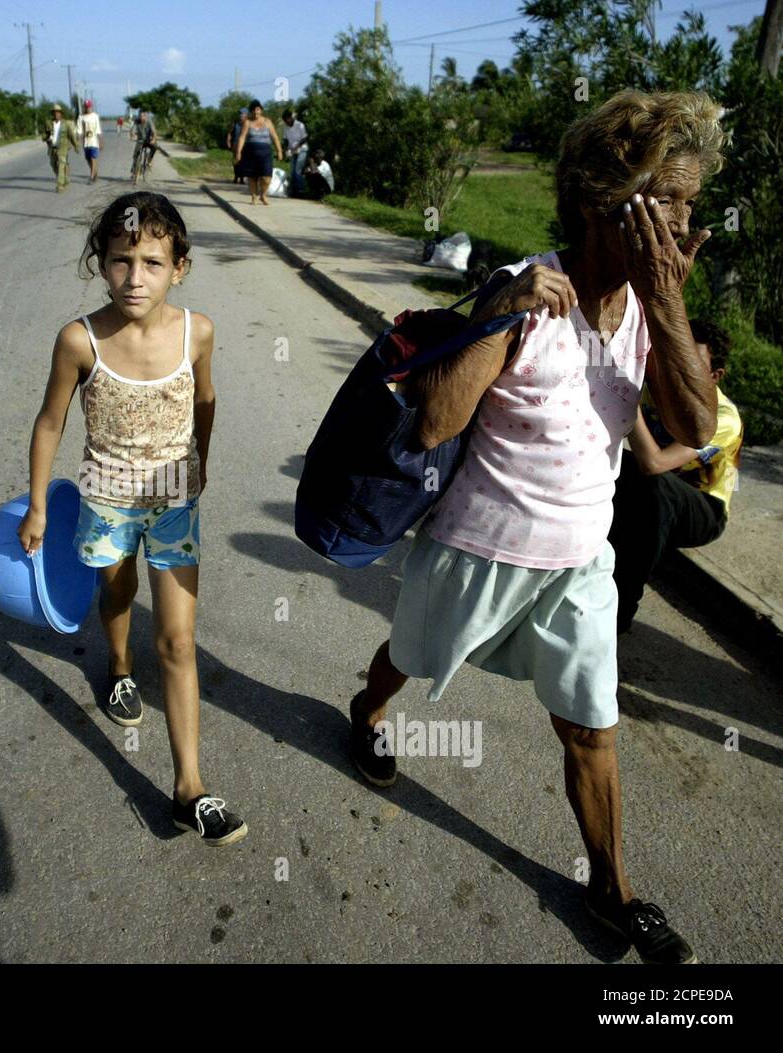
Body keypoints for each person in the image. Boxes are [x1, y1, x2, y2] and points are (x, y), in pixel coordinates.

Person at [345, 89, 723, 964]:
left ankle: (609, 889)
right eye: (666, 200)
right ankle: (364, 713)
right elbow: (436, 422)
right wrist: (501, 309)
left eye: (691, 206)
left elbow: (697, 428)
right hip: (480, 549)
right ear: (603, 199)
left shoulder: (645, 307)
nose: (682, 223)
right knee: (406, 656)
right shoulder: (526, 289)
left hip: (581, 565)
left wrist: (667, 305)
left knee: (592, 729)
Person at [17, 191, 246, 847]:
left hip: (175, 503)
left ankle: (189, 789)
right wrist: (37, 504)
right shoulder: (79, 339)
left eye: (151, 261)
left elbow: (204, 398)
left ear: (180, 265)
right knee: (116, 590)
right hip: (103, 501)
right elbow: (50, 420)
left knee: (176, 641)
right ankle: (117, 667)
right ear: (102, 262)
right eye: (120, 260)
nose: (134, 277)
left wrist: (200, 461)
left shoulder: (197, 331)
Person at [609, 319, 742, 632]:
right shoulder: (655, 389)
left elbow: (654, 463)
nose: (678, 368)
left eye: (691, 362)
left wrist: (628, 403)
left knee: (653, 485)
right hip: (658, 489)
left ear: (714, 375)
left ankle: (620, 614)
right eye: (674, 355)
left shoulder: (723, 418)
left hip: (704, 509)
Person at [233, 99, 282, 205]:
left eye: (258, 110)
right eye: (254, 110)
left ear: (261, 110)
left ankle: (263, 195)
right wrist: (238, 153)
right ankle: (254, 196)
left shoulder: (268, 122)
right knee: (252, 176)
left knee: (267, 177)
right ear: (251, 111)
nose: (256, 112)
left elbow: (274, 137)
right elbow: (241, 138)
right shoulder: (247, 122)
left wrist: (279, 151)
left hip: (266, 154)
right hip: (250, 153)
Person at [44, 103, 78, 192]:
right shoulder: (48, 123)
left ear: (61, 113)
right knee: (53, 165)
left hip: (62, 148)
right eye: (54, 112)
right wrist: (47, 137)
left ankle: (60, 185)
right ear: (52, 114)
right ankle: (64, 179)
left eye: (58, 112)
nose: (56, 114)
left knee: (61, 165)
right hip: (52, 148)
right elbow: (44, 135)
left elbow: (71, 135)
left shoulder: (65, 124)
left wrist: (76, 146)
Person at [281, 107, 308, 197]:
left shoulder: (300, 125)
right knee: (292, 171)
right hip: (292, 151)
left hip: (302, 149)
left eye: (286, 120)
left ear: (290, 118)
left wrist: (296, 147)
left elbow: (304, 138)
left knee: (298, 170)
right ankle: (294, 190)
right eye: (284, 121)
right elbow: (285, 140)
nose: (286, 122)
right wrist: (285, 149)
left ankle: (301, 190)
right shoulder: (286, 127)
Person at [78, 99, 102, 184]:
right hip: (86, 142)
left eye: (89, 107)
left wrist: (101, 142)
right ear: (84, 107)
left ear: (91, 107)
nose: (87, 108)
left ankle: (91, 177)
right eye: (86, 107)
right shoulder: (81, 117)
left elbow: (98, 129)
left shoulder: (95, 116)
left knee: (93, 158)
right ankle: (95, 172)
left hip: (94, 141)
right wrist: (79, 141)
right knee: (88, 159)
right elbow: (79, 131)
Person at [130, 108, 156, 184]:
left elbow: (154, 132)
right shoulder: (136, 121)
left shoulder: (149, 122)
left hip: (148, 140)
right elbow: (133, 130)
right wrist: (133, 135)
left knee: (154, 147)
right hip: (140, 140)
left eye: (144, 116)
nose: (142, 117)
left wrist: (153, 139)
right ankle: (134, 171)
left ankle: (149, 161)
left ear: (146, 116)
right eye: (141, 116)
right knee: (136, 155)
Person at [225, 107, 245, 184]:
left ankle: (242, 178)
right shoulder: (235, 123)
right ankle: (236, 177)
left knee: (243, 162)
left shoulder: (248, 123)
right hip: (236, 145)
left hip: (245, 146)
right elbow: (230, 133)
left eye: (242, 113)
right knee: (236, 161)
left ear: (246, 115)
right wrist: (228, 141)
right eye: (240, 113)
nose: (240, 115)